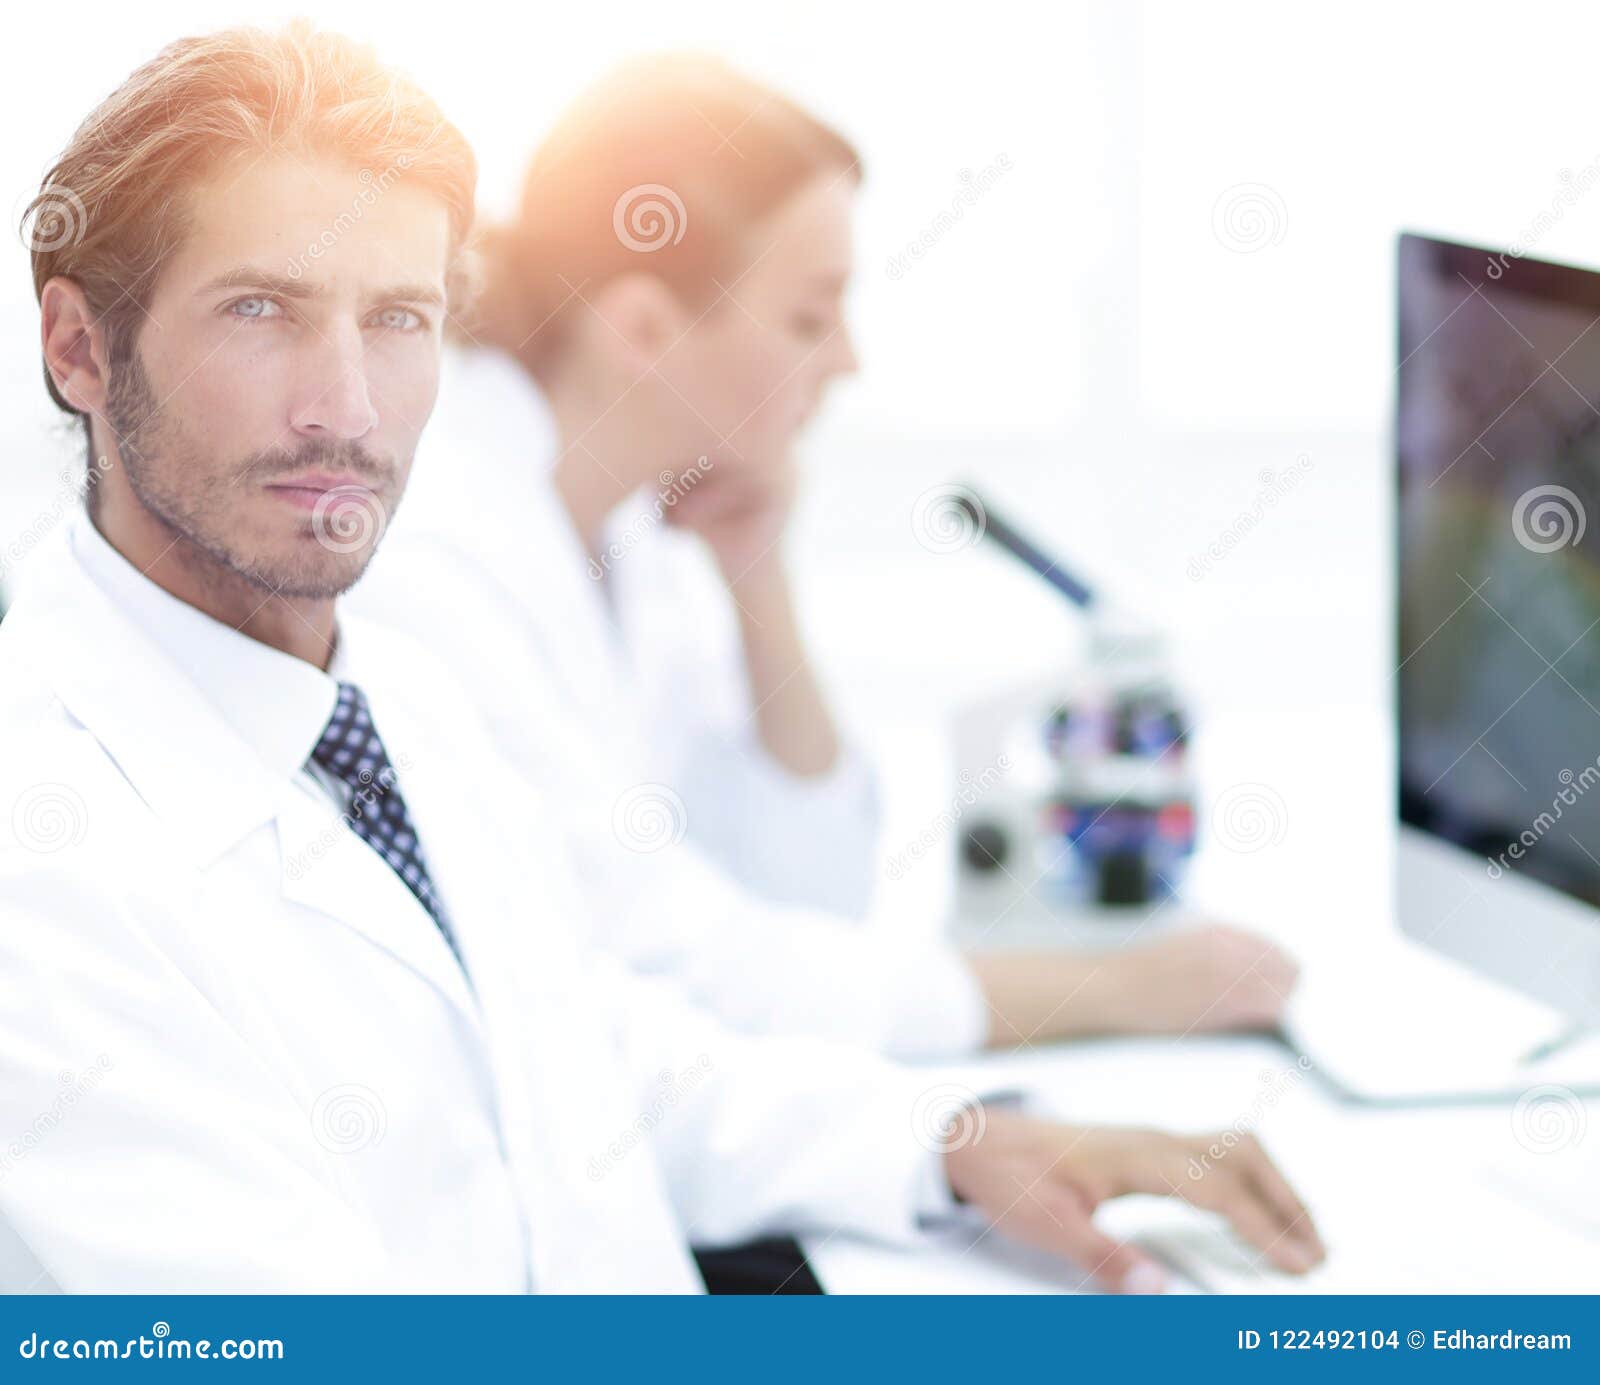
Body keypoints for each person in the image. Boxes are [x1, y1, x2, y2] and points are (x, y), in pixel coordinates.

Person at [0, 22, 1326, 1294]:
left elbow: (570, 1047)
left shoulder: (375, 695)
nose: (346, 407)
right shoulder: (46, 865)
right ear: (77, 349)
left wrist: (951, 1143)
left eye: (399, 319)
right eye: (260, 310)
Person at [354, 54, 1301, 1060]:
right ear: (640, 326)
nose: (847, 360)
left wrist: (760, 579)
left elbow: (806, 889)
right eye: (809, 316)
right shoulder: (442, 560)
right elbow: (665, 966)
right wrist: (1101, 989)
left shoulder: (636, 528)